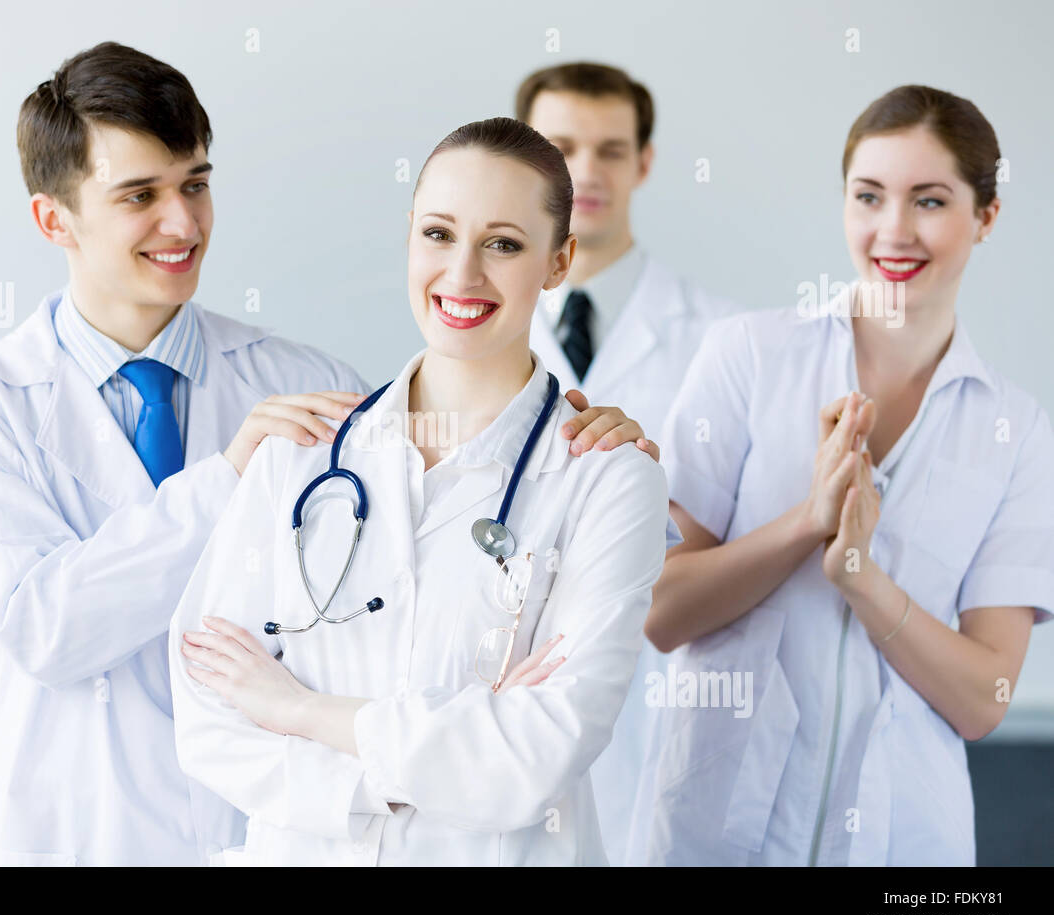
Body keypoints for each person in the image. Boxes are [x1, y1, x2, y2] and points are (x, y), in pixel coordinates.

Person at [0, 44, 646, 866]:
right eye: (139, 196)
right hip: (75, 836)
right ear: (56, 220)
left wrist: (575, 429)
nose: (184, 224)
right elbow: (44, 631)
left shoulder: (309, 387)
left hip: (282, 839)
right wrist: (226, 481)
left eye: (196, 183)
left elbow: (446, 504)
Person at [167, 117, 671, 866]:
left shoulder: (606, 478)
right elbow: (209, 722)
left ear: (559, 260)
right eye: (439, 234)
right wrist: (410, 773)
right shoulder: (299, 459)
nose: (462, 276)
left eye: (503, 244)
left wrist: (294, 709)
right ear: (409, 235)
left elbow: (535, 756)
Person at [630, 85, 1054, 866]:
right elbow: (660, 612)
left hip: (907, 852)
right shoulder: (748, 356)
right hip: (718, 832)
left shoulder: (1017, 431)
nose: (894, 230)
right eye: (869, 197)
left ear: (986, 217)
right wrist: (806, 523)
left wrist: (862, 578)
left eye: (930, 200)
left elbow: (985, 701)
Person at [516, 61, 743, 863]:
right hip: (507, 721)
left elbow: (722, 555)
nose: (585, 171)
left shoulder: (723, 341)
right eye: (562, 146)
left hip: (662, 710)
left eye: (612, 149)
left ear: (645, 162)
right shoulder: (472, 337)